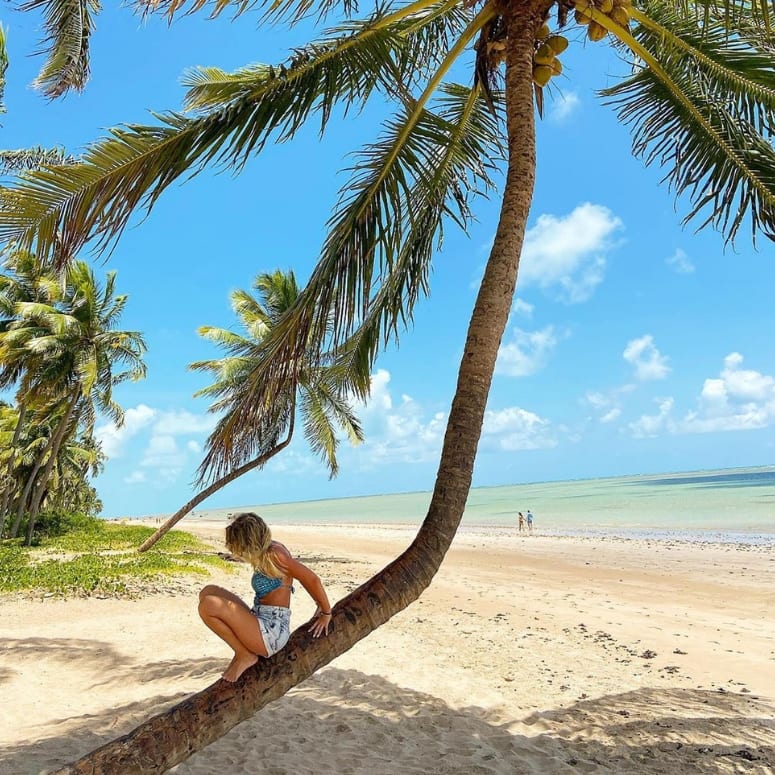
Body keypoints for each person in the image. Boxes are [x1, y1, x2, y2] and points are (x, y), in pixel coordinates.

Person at [198, 512, 333, 682]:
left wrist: (326, 612)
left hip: (271, 633)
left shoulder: (276, 556)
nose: (235, 551)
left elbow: (311, 579)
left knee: (208, 605)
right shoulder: (266, 551)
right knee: (208, 591)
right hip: (259, 618)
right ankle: (243, 652)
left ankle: (244, 654)